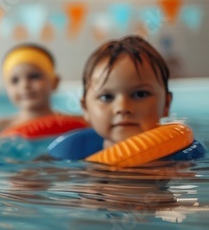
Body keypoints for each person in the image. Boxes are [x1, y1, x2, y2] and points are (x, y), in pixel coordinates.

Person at [47, 35, 204, 164]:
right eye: (106, 97)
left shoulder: (183, 156)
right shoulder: (69, 152)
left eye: (140, 94)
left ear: (166, 104)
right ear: (85, 108)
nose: (122, 107)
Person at [0, 43, 86, 139]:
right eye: (15, 80)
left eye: (34, 76)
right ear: (7, 88)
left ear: (55, 82)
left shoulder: (78, 123)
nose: (25, 85)